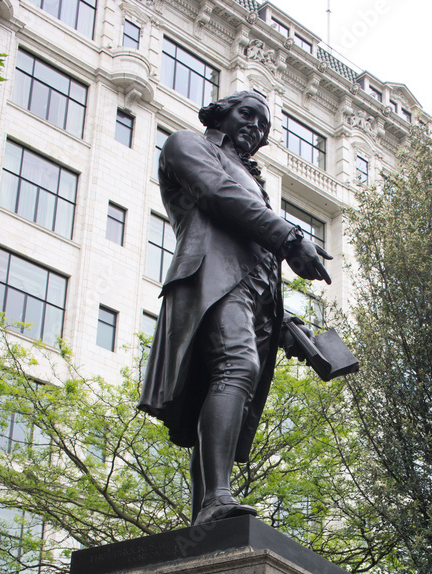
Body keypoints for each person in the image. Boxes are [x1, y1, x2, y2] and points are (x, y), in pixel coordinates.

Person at [138, 91, 332, 525]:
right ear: (221, 112)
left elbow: (257, 255)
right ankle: (216, 500)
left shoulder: (254, 181)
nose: (255, 127)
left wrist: (285, 323)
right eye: (248, 114)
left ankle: (207, 516)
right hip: (210, 280)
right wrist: (291, 237)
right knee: (235, 366)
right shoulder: (186, 144)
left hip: (255, 298)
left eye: (264, 125)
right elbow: (216, 193)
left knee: (225, 384)